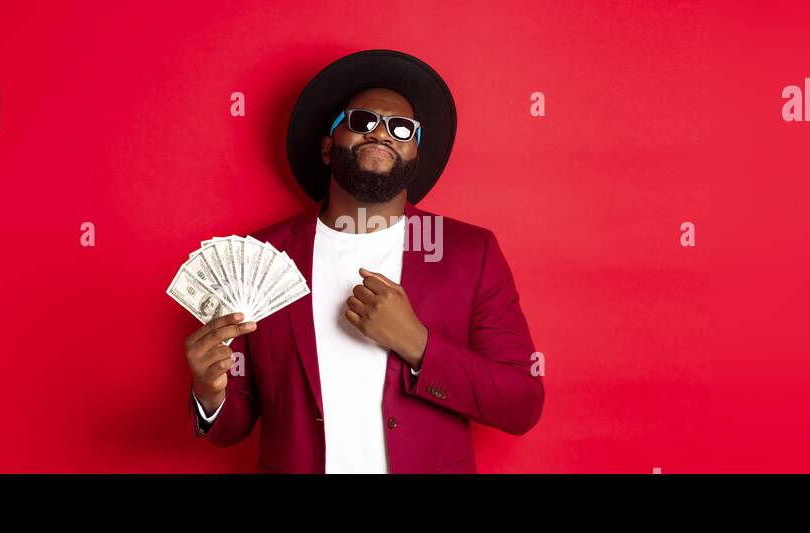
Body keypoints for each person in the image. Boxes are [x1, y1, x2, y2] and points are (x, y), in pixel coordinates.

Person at [182, 49, 543, 473]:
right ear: (327, 147)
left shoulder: (469, 252)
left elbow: (521, 403)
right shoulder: (259, 256)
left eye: (402, 129)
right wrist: (210, 392)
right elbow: (234, 424)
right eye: (362, 121)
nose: (382, 134)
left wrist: (417, 344)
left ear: (415, 158)